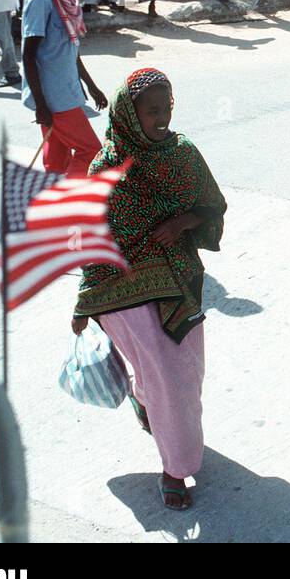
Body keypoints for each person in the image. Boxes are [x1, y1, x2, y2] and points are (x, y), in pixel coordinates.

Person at [73, 67, 226, 512]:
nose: (161, 119)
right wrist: (84, 302)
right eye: (151, 110)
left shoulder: (182, 154)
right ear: (127, 112)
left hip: (180, 281)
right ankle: (175, 468)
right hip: (123, 292)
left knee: (183, 375)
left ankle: (146, 405)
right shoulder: (105, 168)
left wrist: (183, 221)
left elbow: (212, 205)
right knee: (172, 380)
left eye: (167, 109)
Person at [21, 0, 106, 176]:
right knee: (91, 152)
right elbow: (28, 55)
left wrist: (90, 85)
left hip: (66, 89)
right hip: (53, 97)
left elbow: (70, 48)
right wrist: (40, 104)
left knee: (56, 162)